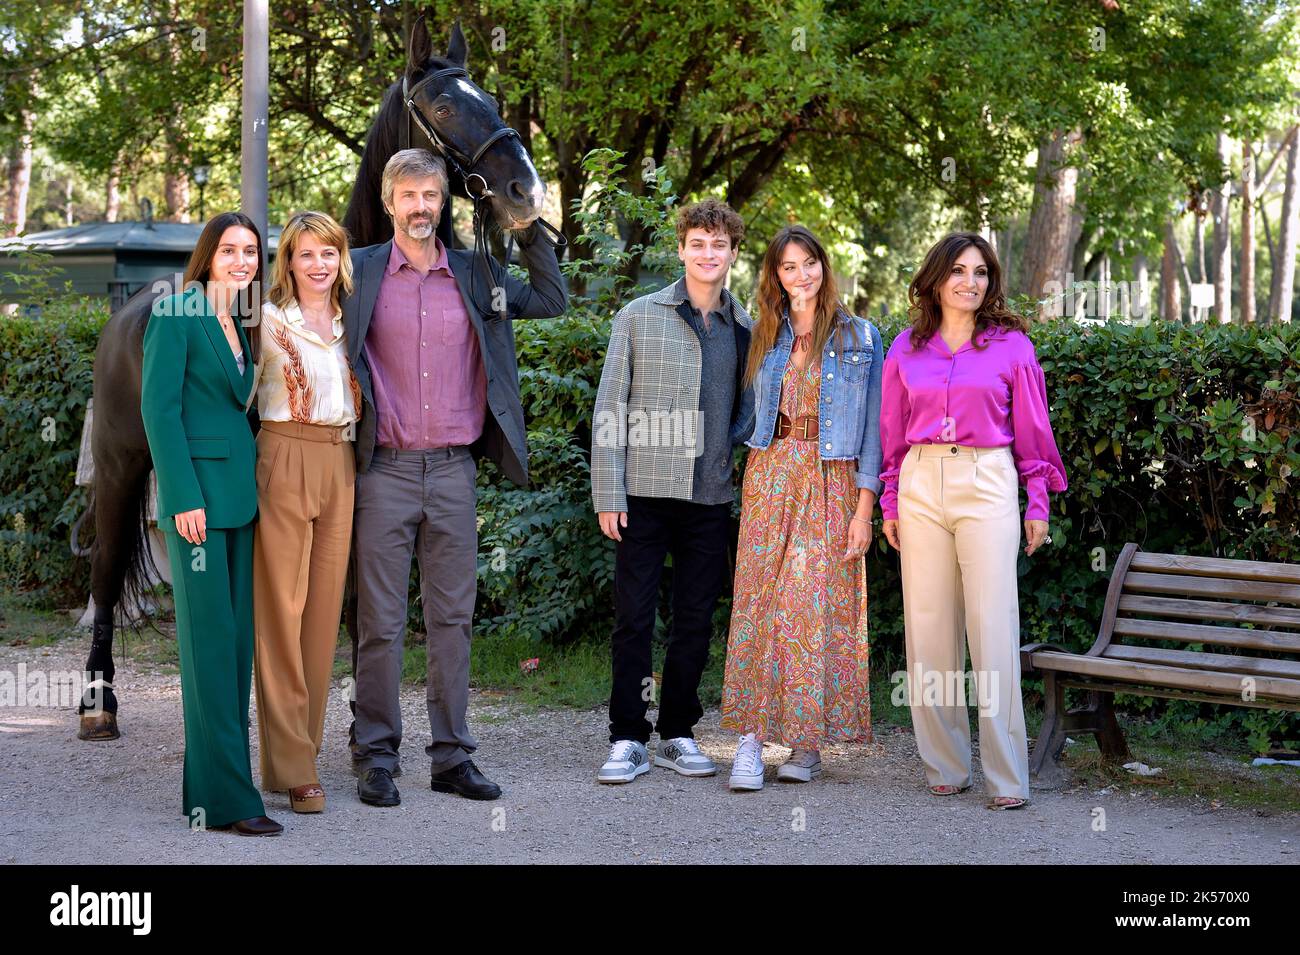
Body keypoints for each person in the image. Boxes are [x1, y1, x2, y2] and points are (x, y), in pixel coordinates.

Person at [345, 148, 567, 807]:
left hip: (452, 472)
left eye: (431, 197)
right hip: (381, 470)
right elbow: (293, 316)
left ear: (443, 204)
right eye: (408, 195)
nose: (420, 207)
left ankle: (450, 757)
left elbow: (551, 300)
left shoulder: (477, 275)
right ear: (389, 203)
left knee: (453, 619)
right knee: (379, 622)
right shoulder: (357, 275)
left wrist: (528, 226)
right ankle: (376, 756)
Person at [879, 231, 1067, 810]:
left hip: (987, 482)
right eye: (958, 271)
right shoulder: (905, 349)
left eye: (981, 272)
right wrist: (890, 500)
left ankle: (1007, 778)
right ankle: (945, 764)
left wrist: (1038, 500)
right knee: (929, 629)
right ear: (936, 280)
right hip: (920, 482)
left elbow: (1034, 432)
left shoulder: (1012, 348)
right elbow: (891, 434)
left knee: (992, 627)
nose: (970, 282)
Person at [591, 199, 754, 784]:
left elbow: (752, 410)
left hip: (709, 493)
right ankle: (628, 736)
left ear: (733, 253)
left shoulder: (746, 327)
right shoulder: (639, 315)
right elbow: (610, 405)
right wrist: (609, 492)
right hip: (643, 492)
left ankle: (678, 731)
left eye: (720, 245)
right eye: (698, 243)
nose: (708, 254)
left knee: (695, 618)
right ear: (681, 249)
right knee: (634, 617)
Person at [720, 225, 882, 791]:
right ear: (775, 276)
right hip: (770, 472)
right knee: (759, 603)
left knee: (810, 604)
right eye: (788, 267)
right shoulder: (763, 333)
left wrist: (866, 510)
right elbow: (741, 414)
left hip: (832, 477)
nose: (800, 274)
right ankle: (748, 741)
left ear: (823, 266)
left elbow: (873, 432)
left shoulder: (861, 337)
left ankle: (807, 742)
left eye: (808, 262)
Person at [140, 211, 282, 836]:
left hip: (240, 504)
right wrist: (182, 498)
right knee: (208, 652)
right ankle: (225, 803)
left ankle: (210, 787)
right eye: (230, 249)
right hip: (197, 506)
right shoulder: (177, 313)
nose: (242, 260)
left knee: (234, 650)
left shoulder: (238, 322)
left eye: (251, 251)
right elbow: (160, 412)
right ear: (208, 254)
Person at [250, 211, 359, 814]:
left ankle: (299, 753)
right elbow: (228, 392)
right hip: (283, 453)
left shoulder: (351, 322)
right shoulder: (265, 322)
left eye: (328, 253)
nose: (318, 264)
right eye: (306, 254)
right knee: (281, 613)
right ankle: (294, 767)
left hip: (339, 463)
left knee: (320, 617)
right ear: (288, 262)